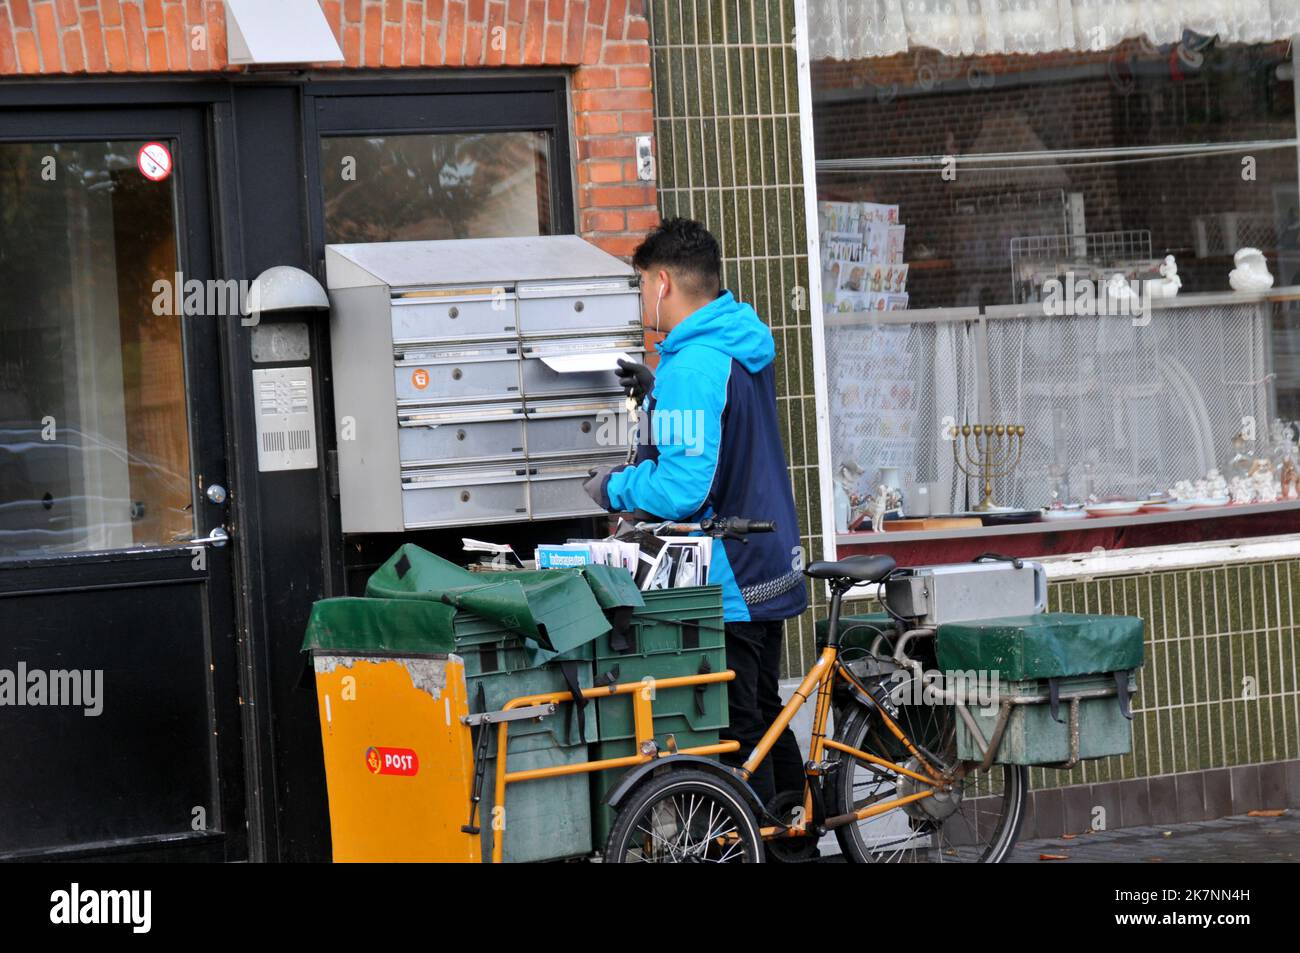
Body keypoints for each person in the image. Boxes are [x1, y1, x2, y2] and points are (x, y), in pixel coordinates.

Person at [583, 217, 809, 810]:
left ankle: (762, 844)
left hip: (728, 574)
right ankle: (797, 838)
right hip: (769, 559)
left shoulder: (693, 365)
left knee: (735, 734)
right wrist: (659, 389)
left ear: (662, 284)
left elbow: (684, 488)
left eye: (639, 287)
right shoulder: (738, 342)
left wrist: (614, 487)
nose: (639, 301)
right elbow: (721, 431)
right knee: (764, 716)